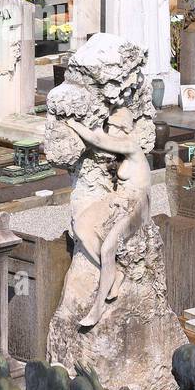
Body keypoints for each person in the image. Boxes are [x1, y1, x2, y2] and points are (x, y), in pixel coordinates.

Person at [65, 107, 152, 328]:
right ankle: (114, 272)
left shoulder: (130, 145)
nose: (109, 129)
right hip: (119, 200)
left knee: (107, 248)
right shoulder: (123, 144)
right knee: (81, 227)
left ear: (122, 128)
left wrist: (73, 123)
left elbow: (97, 139)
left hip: (137, 206)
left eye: (112, 126)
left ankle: (98, 307)